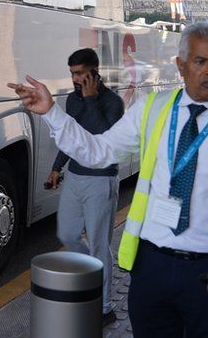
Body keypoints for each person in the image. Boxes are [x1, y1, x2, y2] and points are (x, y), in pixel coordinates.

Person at [8, 22, 208, 337]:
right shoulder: (153, 109)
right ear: (181, 66)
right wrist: (51, 112)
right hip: (152, 266)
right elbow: (98, 151)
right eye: (200, 61)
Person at [44, 48, 124, 324]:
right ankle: (89, 275)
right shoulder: (71, 99)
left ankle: (104, 307)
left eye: (79, 73)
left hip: (102, 180)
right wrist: (57, 168)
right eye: (72, 74)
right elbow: (70, 138)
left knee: (99, 245)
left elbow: (103, 141)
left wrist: (91, 100)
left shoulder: (113, 102)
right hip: (76, 177)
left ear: (95, 72)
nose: (75, 79)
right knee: (67, 234)